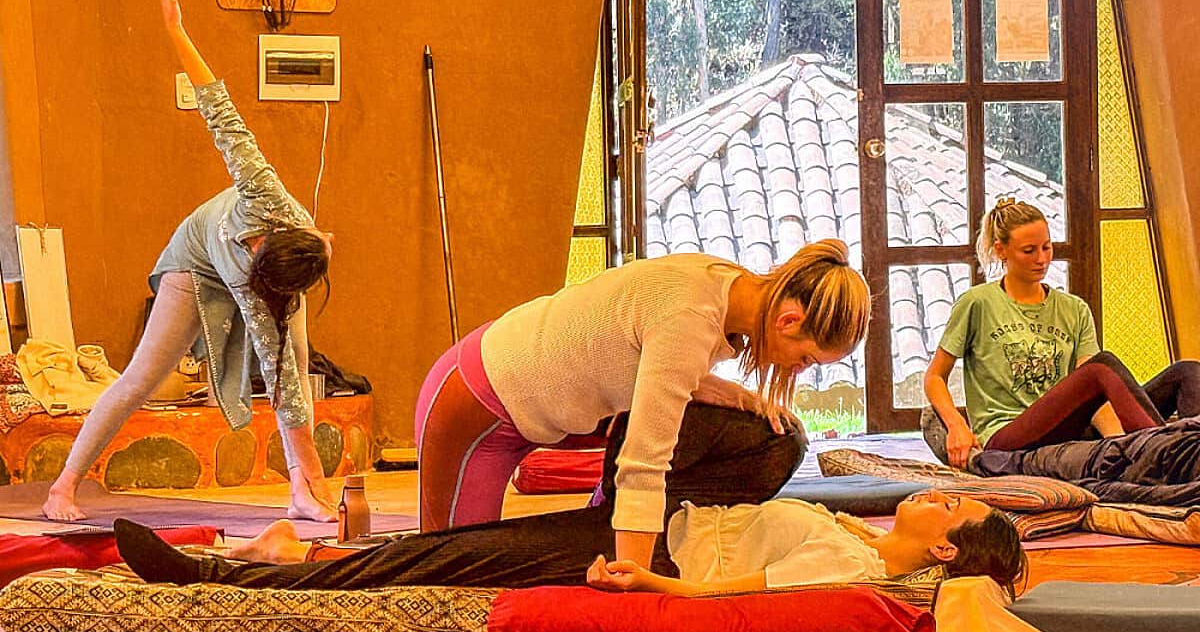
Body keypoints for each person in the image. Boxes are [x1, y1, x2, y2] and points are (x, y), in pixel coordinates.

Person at [112, 402, 1026, 595]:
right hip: (654, 520)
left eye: (951, 509)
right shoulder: (852, 540)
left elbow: (728, 601)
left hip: (648, 553)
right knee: (778, 436)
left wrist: (642, 582)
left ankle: (221, 578)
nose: (935, 498)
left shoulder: (850, 567)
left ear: (946, 549)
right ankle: (284, 558)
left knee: (440, 560)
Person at [41, 0, 336, 522]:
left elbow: (283, 380)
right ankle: (64, 485)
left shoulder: (281, 269)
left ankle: (302, 490)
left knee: (296, 362)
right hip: (194, 263)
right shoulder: (259, 191)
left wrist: (317, 483)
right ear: (269, 242)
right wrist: (175, 28)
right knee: (141, 377)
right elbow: (219, 110)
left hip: (270, 273)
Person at [418, 238, 872, 572]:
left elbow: (670, 372)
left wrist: (741, 399)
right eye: (806, 359)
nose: (799, 371)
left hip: (555, 409)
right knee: (443, 572)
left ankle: (602, 517)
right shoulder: (690, 317)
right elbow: (643, 462)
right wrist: (634, 576)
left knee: (771, 434)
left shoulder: (733, 289)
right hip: (477, 407)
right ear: (789, 321)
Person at [924, 197, 1200, 468]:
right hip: (1007, 435)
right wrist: (957, 425)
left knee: (1187, 371)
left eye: (1046, 247)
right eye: (1029, 251)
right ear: (1001, 250)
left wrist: (1119, 443)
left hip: (1071, 429)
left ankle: (1183, 452)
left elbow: (1095, 396)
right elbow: (934, 377)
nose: (1042, 259)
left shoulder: (1074, 309)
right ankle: (1170, 456)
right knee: (1102, 365)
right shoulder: (977, 303)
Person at [972, 417, 1200, 506]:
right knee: (1187, 370)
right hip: (1135, 442)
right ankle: (975, 459)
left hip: (1111, 464)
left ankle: (973, 461)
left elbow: (1147, 496)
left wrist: (1085, 487)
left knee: (1024, 464)